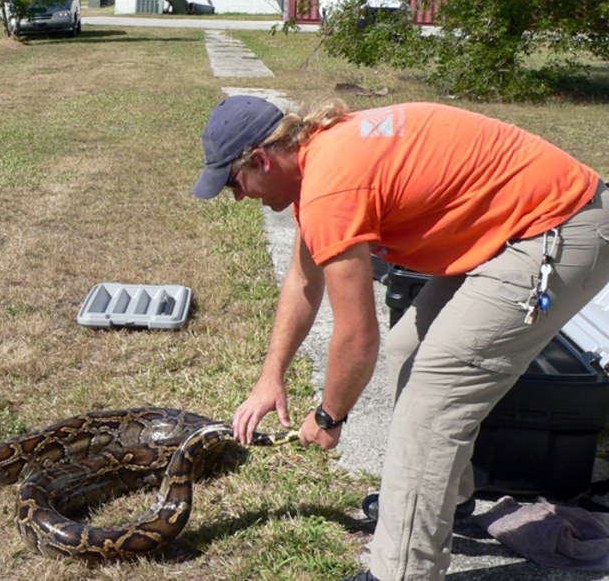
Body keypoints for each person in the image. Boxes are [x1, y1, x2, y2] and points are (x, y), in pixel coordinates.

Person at [192, 95, 609, 580]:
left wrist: (330, 416)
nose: (238, 196)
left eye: (233, 183)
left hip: (562, 223)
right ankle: (447, 506)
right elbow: (303, 283)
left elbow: (355, 338)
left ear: (261, 158)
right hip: (515, 224)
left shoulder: (330, 183)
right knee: (407, 348)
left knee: (434, 394)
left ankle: (401, 570)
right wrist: (271, 377)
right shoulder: (318, 159)